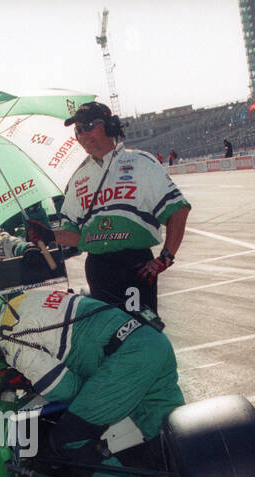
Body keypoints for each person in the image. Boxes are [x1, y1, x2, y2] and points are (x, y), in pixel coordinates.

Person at [0, 289, 255, 477]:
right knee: (170, 439)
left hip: (127, 361)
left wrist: (23, 369)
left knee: (69, 441)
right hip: (148, 343)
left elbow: (72, 391)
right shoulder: (20, 302)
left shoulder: (13, 342)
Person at [29, 101, 189, 321]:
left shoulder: (141, 163)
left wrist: (165, 258)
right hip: (98, 268)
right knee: (107, 338)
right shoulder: (79, 178)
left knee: (141, 335)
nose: (83, 134)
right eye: (78, 130)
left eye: (89, 125)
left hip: (135, 265)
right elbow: (75, 235)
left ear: (111, 126)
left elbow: (178, 210)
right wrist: (48, 234)